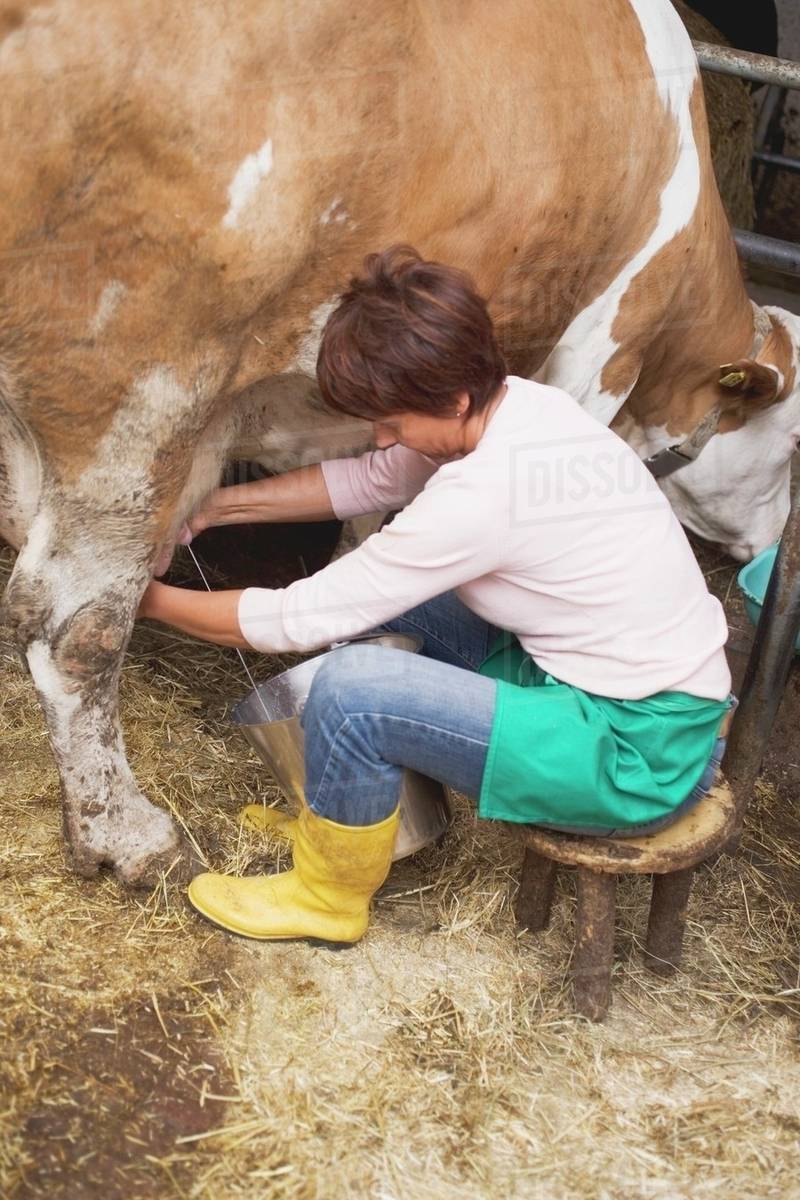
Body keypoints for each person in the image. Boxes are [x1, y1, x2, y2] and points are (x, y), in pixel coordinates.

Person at [138, 245, 733, 944]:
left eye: (391, 422)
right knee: (400, 606)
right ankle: (364, 808)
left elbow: (297, 617)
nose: (383, 438)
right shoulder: (516, 406)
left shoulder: (483, 494)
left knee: (353, 691)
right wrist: (215, 505)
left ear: (452, 398)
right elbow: (372, 480)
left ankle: (327, 897)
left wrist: (143, 601)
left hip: (638, 760)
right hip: (603, 690)